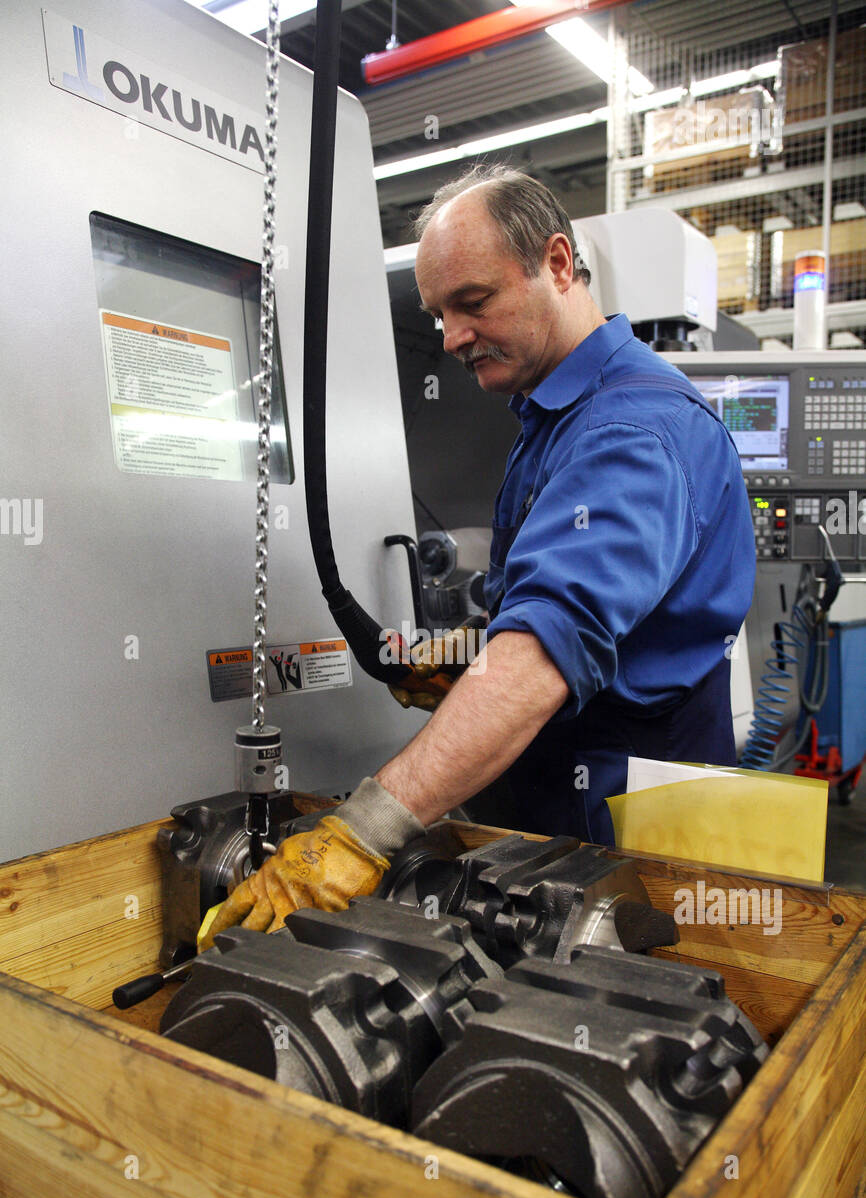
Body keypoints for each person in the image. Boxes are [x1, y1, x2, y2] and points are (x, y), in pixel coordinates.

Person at [200, 167, 756, 948]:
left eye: (473, 301)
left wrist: (363, 830)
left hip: (642, 839)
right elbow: (552, 628)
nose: (452, 336)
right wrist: (469, 670)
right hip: (567, 823)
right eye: (438, 314)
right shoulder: (555, 415)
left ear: (558, 264)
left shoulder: (633, 431)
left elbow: (541, 656)